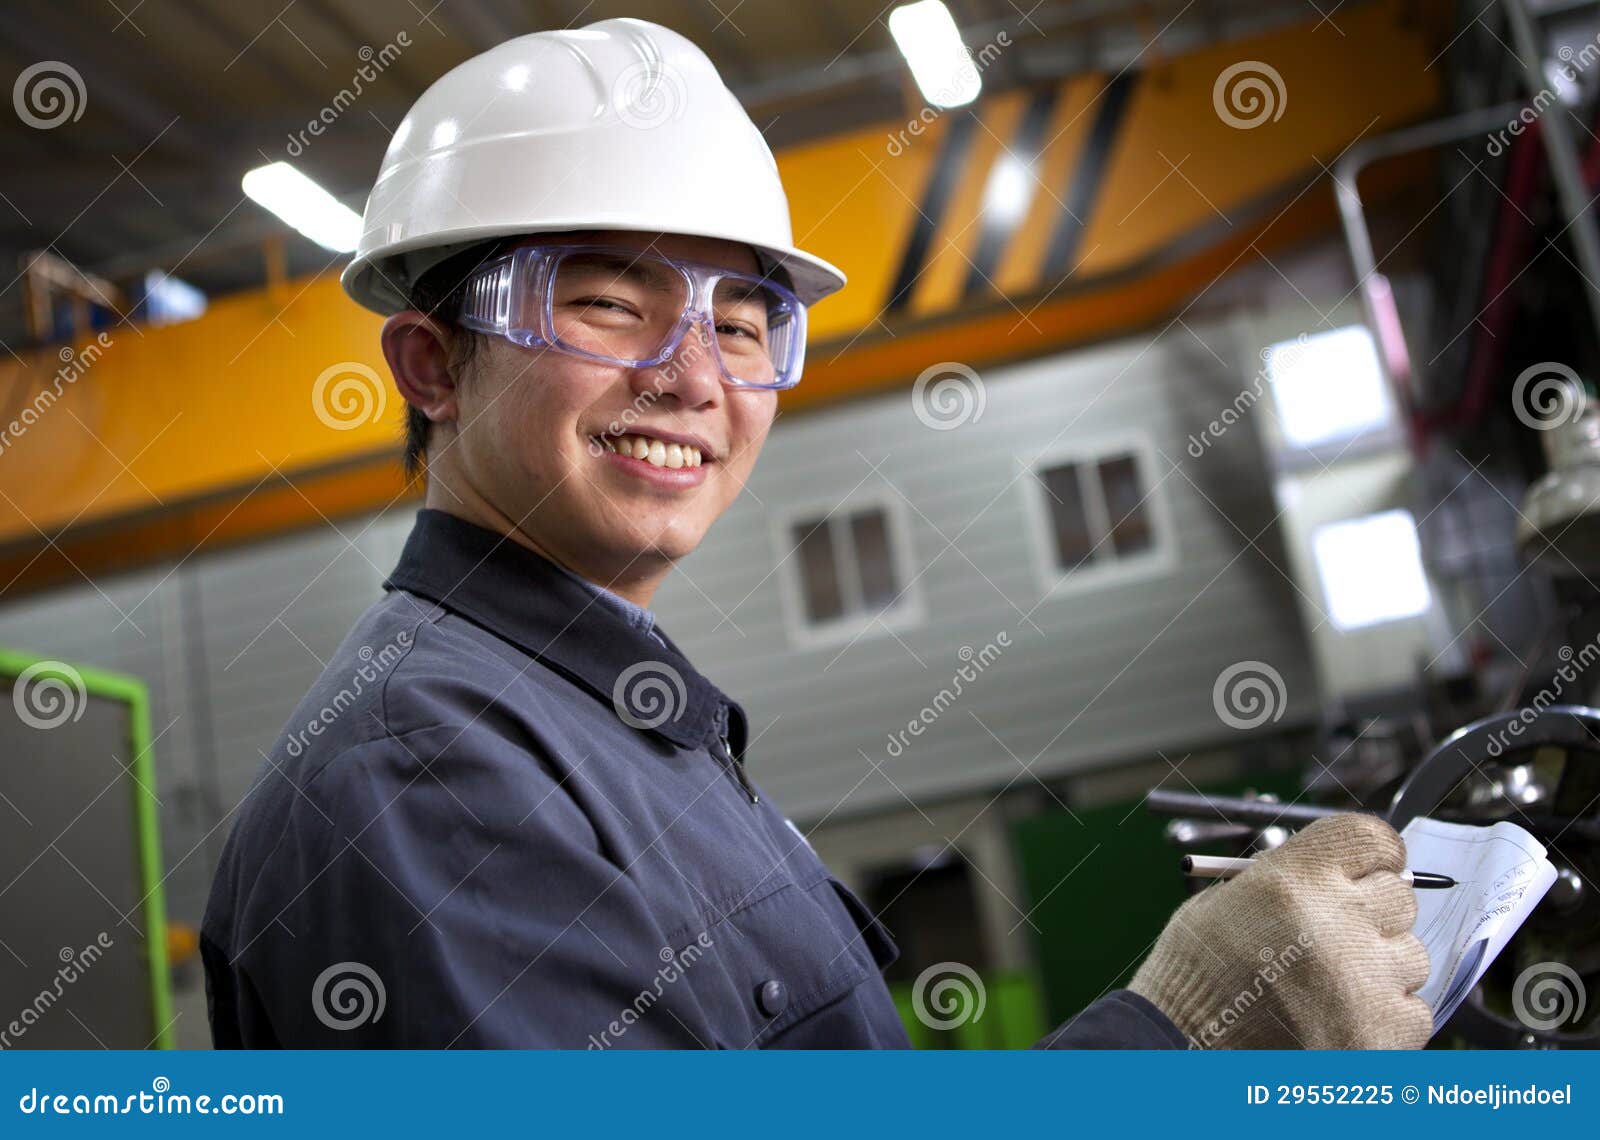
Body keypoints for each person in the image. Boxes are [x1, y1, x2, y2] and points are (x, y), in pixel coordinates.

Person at [201, 18, 1432, 1049]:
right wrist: (1183, 1038)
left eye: (742, 325)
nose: (692, 378)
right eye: (609, 304)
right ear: (432, 366)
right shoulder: (418, 780)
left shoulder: (623, 730)